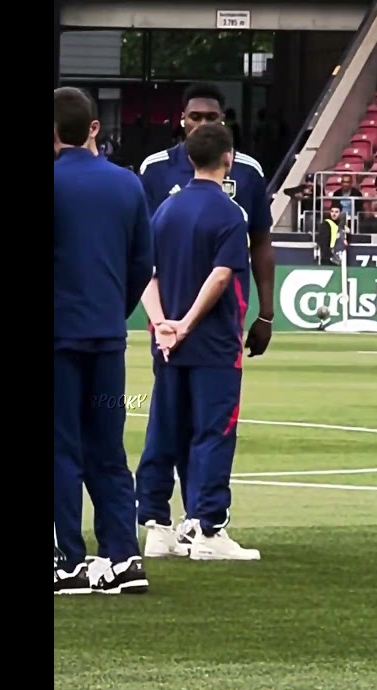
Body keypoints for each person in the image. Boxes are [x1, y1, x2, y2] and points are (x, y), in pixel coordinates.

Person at [136, 83, 275, 557]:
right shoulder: (230, 213)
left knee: (165, 428)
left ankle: (156, 523)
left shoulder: (165, 210)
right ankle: (208, 528)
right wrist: (189, 324)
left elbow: (144, 273)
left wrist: (162, 326)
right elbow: (221, 277)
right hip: (211, 341)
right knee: (213, 429)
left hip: (168, 341)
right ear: (228, 160)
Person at [53, 87, 154, 593]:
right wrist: (116, 310)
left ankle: (68, 560)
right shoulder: (128, 185)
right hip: (108, 338)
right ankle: (124, 557)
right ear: (93, 127)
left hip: (60, 337)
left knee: (62, 447)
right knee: (108, 448)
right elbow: (142, 263)